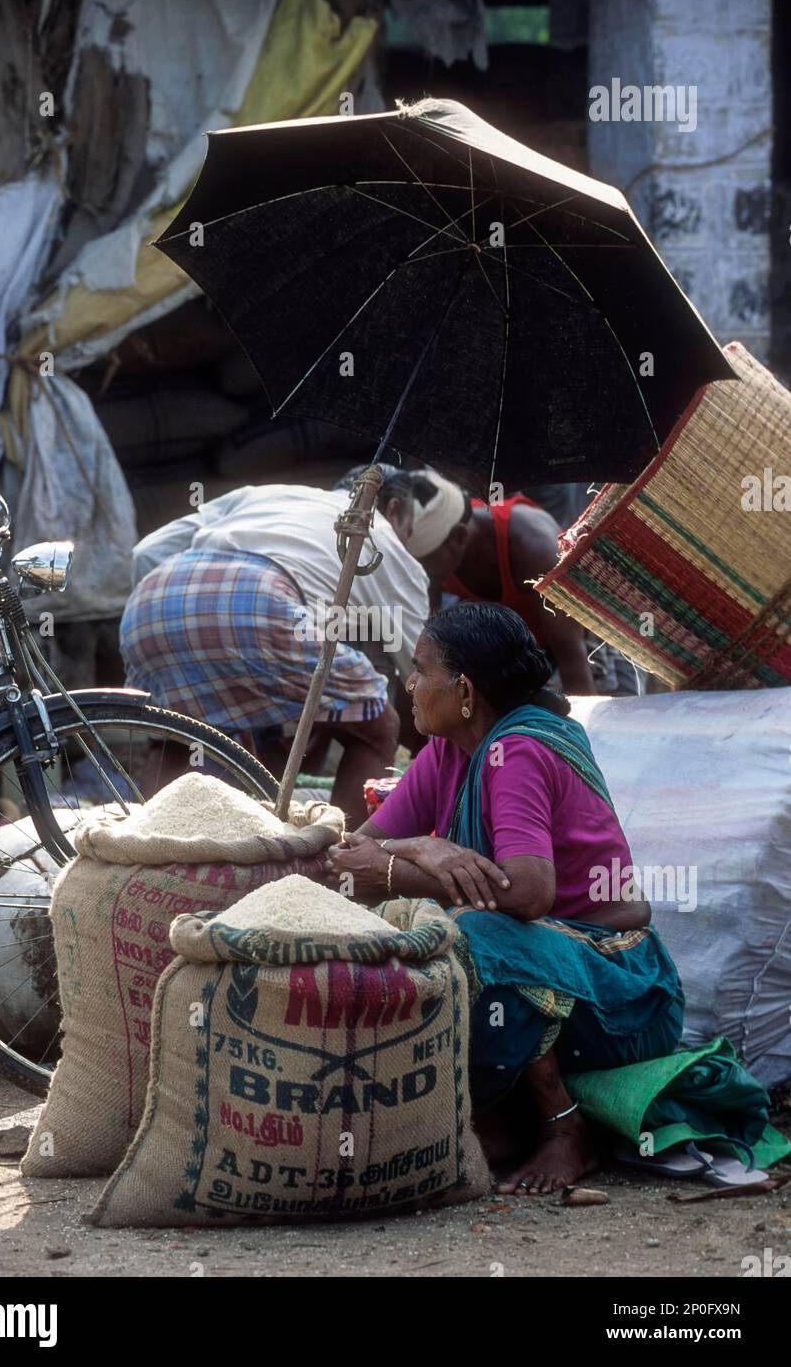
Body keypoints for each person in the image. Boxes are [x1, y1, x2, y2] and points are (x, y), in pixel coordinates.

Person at [325, 601, 684, 1194]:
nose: (409, 684)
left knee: (474, 930)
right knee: (407, 922)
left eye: (421, 669)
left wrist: (404, 865)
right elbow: (356, 858)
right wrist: (422, 849)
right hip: (554, 969)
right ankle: (495, 1118)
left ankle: (565, 1129)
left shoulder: (515, 750)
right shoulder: (449, 748)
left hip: (624, 990)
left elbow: (528, 892)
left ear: (464, 689)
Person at [121, 476, 428, 825]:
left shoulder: (267, 495)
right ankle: (342, 867)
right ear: (394, 509)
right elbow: (425, 673)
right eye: (411, 531)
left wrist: (172, 634)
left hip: (152, 599)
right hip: (256, 599)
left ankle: (147, 853)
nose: (408, 543)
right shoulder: (379, 534)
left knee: (181, 735)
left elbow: (145, 552)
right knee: (379, 724)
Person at [404, 470, 597, 695]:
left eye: (423, 564)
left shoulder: (534, 548)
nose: (420, 573)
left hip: (586, 641)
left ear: (457, 538)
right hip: (513, 652)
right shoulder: (433, 555)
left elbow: (574, 663)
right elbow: (427, 649)